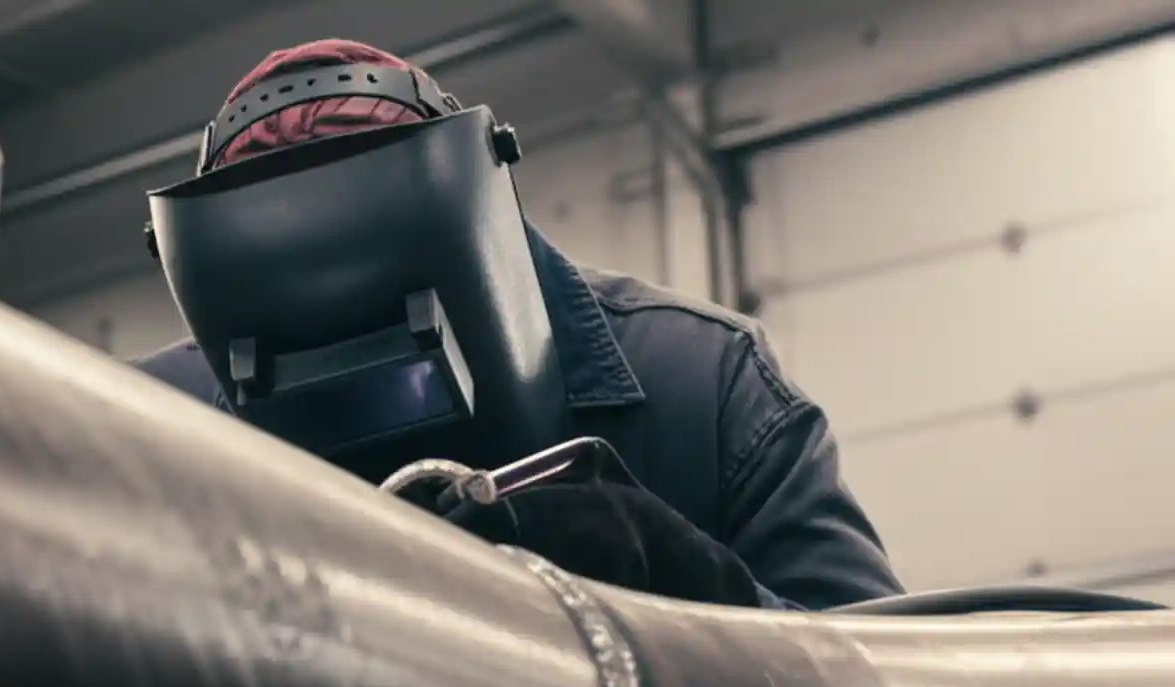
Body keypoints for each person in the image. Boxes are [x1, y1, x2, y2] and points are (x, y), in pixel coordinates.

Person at [136, 38, 904, 610]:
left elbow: (884, 685)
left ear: (480, 208)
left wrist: (680, 580)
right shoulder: (142, 440)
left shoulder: (699, 383)